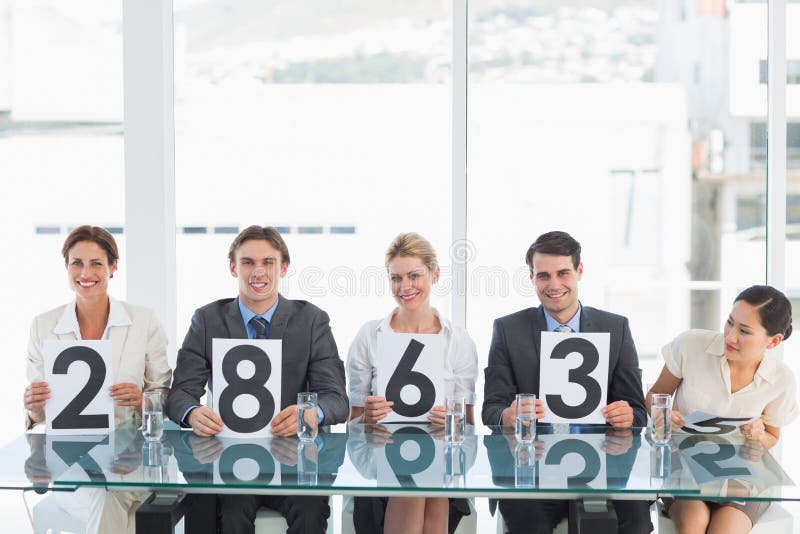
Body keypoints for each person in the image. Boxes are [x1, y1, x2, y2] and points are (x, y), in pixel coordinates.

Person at [165, 225, 348, 534]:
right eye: (248, 262)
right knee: (230, 514)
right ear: (233, 268)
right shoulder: (207, 319)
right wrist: (192, 413)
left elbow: (337, 399)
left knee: (310, 512)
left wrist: (311, 414)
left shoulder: (312, 320)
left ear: (284, 268)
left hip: (293, 457)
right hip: (231, 456)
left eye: (268, 262)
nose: (258, 271)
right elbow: (180, 393)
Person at [482, 230, 650, 534]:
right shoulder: (508, 329)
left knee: (636, 520)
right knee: (527, 521)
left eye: (563, 273)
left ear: (579, 271)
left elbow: (639, 413)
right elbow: (491, 409)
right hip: (534, 467)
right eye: (543, 276)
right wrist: (507, 415)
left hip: (605, 463)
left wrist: (628, 416)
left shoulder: (616, 327)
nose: (554, 284)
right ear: (532, 278)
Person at [23, 224, 172, 534]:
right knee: (108, 498)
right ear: (66, 266)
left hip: (130, 457)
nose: (85, 273)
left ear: (113, 267)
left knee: (111, 494)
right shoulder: (43, 325)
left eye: (96, 263)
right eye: (76, 263)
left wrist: (144, 400)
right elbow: (39, 413)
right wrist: (34, 408)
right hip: (70, 463)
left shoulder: (143, 321)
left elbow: (164, 393)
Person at [347, 232, 478, 534]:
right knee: (417, 482)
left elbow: (469, 427)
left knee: (425, 479)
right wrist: (368, 417)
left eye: (414, 276)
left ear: (435, 274)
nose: (404, 286)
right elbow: (352, 424)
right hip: (383, 463)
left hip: (441, 462)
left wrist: (453, 420)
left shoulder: (458, 340)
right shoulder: (369, 336)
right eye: (396, 278)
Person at [647, 285, 798, 534]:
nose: (730, 336)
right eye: (730, 322)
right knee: (693, 523)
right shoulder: (691, 345)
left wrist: (759, 437)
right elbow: (655, 394)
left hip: (743, 478)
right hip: (684, 468)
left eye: (744, 331)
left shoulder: (781, 380)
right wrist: (662, 415)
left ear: (773, 341)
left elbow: (772, 436)